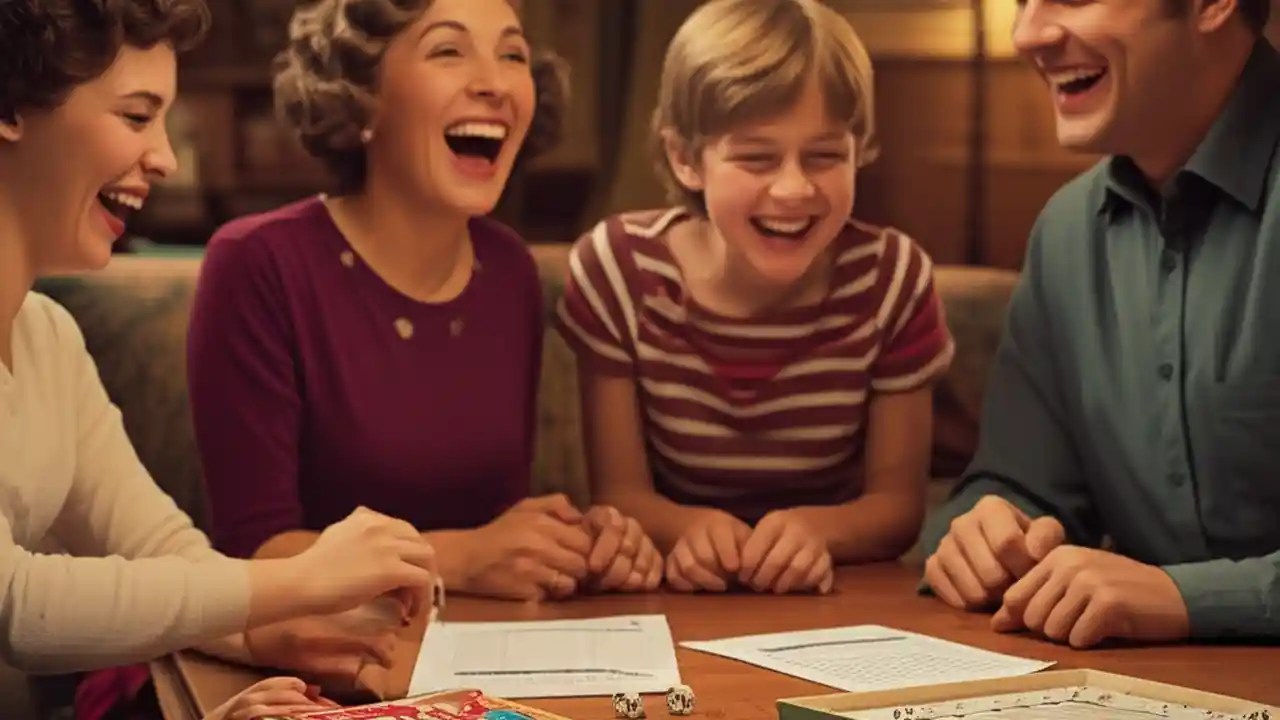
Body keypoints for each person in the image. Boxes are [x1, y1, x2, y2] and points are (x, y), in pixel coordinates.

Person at [0, 1, 439, 718]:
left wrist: (264, 631)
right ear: (10, 108)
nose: (166, 158)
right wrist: (298, 582)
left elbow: (158, 548)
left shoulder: (47, 337)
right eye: (136, 116)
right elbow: (14, 605)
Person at [184, 0, 662, 609]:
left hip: (479, 647)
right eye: (448, 50)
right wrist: (458, 558)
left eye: (512, 55)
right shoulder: (257, 264)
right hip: (323, 651)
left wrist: (578, 545)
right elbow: (255, 553)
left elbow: (496, 528)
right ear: (361, 96)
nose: (494, 84)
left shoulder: (509, 271)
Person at [556, 0, 955, 596]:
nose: (793, 188)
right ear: (685, 159)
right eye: (756, 158)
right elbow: (620, 495)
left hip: (835, 600)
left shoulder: (891, 280)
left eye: (825, 155)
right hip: (678, 596)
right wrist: (692, 531)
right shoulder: (618, 270)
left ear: (858, 150)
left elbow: (896, 508)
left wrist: (815, 532)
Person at [919, 0, 1280, 649]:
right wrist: (989, 533)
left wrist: (1189, 598)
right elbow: (1023, 482)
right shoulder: (1066, 232)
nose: (1026, 33)